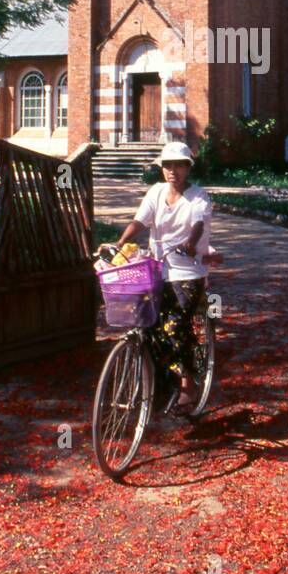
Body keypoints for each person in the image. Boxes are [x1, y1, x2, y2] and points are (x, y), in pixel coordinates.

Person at [110, 141, 212, 412]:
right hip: (156, 270)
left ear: (188, 168)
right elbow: (140, 222)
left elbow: (199, 225)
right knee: (147, 322)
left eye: (178, 165)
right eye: (167, 165)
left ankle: (188, 384)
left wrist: (191, 244)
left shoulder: (199, 197)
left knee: (174, 327)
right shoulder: (156, 192)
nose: (172, 171)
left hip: (186, 272)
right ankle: (158, 378)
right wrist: (120, 242)